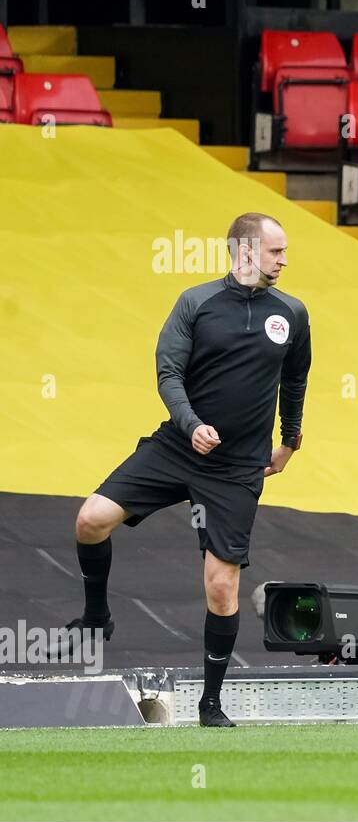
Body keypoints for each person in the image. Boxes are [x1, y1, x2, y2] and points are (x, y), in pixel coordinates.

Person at [66, 212, 311, 727]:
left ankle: (210, 704)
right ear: (246, 252)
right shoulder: (196, 302)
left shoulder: (292, 312)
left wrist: (290, 440)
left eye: (285, 252)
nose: (285, 260)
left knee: (221, 589)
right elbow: (168, 371)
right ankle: (96, 616)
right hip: (178, 447)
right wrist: (191, 422)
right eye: (276, 252)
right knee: (90, 520)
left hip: (236, 468)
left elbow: (295, 379)